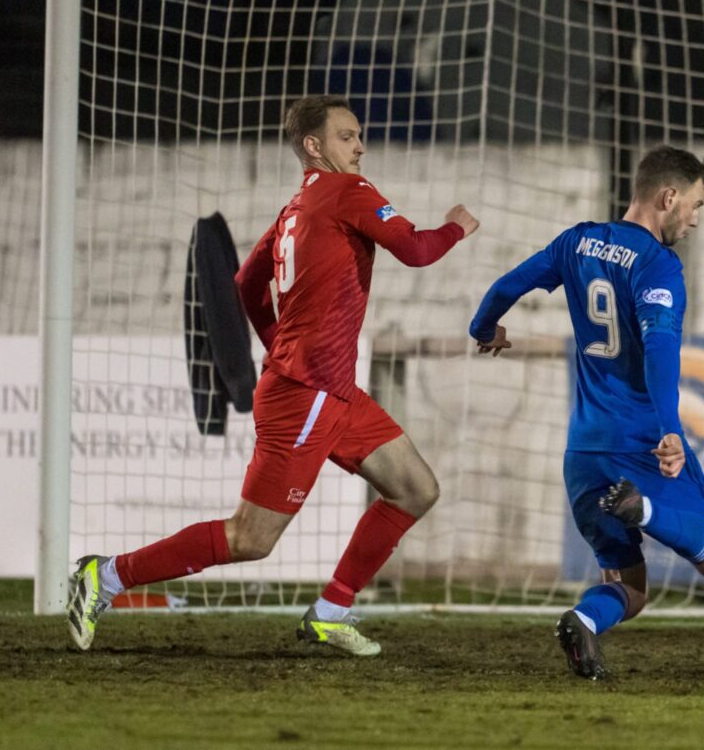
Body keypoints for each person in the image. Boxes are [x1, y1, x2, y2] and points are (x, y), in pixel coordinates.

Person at [66, 95, 477, 656]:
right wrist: (454, 227)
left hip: (329, 390)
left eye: (359, 136)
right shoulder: (348, 192)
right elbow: (416, 250)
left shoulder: (296, 209)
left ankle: (331, 611)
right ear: (314, 145)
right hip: (307, 394)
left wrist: (283, 348)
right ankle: (107, 575)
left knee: (415, 490)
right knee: (250, 538)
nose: (360, 147)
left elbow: (246, 284)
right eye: (347, 136)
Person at [469, 145, 704, 680]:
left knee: (629, 586)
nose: (696, 220)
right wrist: (671, 431)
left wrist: (483, 328)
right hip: (639, 443)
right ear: (669, 197)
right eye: (696, 205)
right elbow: (660, 348)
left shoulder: (576, 241)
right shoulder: (659, 265)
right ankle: (644, 510)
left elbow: (506, 285)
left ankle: (584, 620)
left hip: (584, 450)